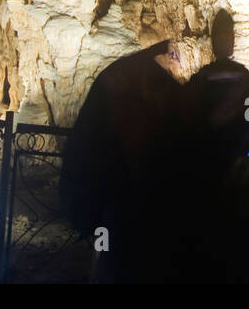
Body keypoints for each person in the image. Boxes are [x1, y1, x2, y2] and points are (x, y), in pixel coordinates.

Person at [59, 40, 185, 283]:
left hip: (115, 205)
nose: (176, 64)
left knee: (109, 255)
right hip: (128, 207)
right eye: (173, 58)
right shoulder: (144, 89)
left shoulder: (116, 82)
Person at [180, 10, 249, 282]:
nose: (226, 41)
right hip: (235, 167)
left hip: (208, 170)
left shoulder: (202, 78)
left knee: (213, 238)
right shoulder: (241, 77)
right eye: (224, 35)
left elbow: (192, 122)